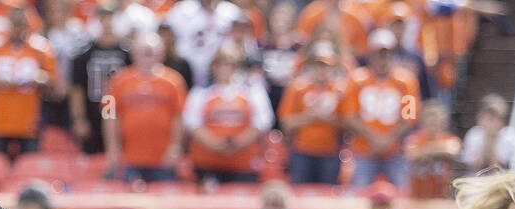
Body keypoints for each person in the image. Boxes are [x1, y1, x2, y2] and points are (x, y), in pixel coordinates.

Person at [183, 45, 273, 186]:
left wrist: (237, 143)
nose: (225, 68)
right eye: (220, 63)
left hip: (243, 163)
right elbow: (192, 123)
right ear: (213, 66)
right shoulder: (201, 92)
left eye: (230, 63)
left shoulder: (252, 91)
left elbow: (262, 122)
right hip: (208, 162)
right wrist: (216, 144)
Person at [103, 34, 187, 184]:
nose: (148, 57)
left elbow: (179, 117)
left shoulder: (175, 81)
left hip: (162, 159)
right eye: (143, 52)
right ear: (134, 54)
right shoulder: (117, 80)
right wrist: (113, 148)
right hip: (130, 159)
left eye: (152, 52)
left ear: (162, 54)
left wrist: (175, 148)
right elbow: (108, 115)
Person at [342, 30, 419, 190]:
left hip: (395, 151)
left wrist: (387, 140)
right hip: (364, 150)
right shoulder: (356, 80)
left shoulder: (406, 81)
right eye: (378, 55)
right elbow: (350, 116)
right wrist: (375, 139)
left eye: (386, 55)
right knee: (360, 197)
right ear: (371, 56)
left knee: (400, 198)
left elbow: (409, 117)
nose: (383, 60)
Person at [0, 4, 57, 162]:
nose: (18, 28)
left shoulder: (41, 48)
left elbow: (54, 83)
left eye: (21, 23)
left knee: (27, 168)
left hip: (29, 119)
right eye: (14, 23)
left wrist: (38, 78)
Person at [277, 43, 345, 187]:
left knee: (328, 197)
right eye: (317, 65)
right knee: (300, 196)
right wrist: (310, 116)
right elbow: (286, 123)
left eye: (325, 66)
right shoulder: (297, 88)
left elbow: (347, 124)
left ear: (332, 68)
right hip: (302, 152)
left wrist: (326, 118)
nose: (321, 70)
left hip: (330, 153)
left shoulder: (339, 89)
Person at [69, 3, 129, 155]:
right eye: (103, 18)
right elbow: (77, 88)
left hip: (120, 115)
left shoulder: (129, 54)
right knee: (91, 158)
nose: (107, 22)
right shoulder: (84, 54)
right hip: (92, 112)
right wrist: (79, 118)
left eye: (111, 18)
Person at [460, 93, 515, 175]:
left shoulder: (514, 138)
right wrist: (487, 138)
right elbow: (475, 166)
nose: (489, 124)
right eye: (486, 118)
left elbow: (498, 169)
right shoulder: (473, 134)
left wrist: (492, 139)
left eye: (492, 119)